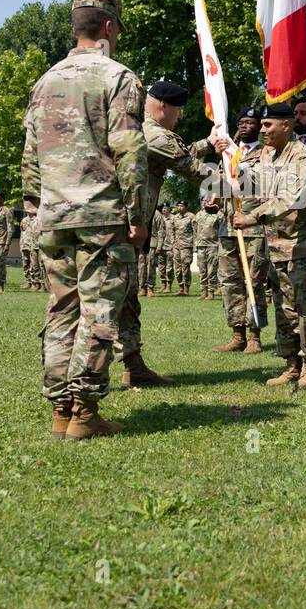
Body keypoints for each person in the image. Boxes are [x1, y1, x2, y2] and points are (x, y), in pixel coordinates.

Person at [21, 0, 148, 440]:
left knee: (61, 311)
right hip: (101, 216)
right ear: (110, 27)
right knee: (98, 313)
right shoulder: (118, 77)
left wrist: (34, 209)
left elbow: (30, 154)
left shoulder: (45, 81)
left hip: (54, 216)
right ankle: (85, 412)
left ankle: (61, 410)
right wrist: (136, 214)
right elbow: (130, 151)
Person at [116, 79, 226, 389]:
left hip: (122, 228)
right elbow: (193, 169)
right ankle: (91, 377)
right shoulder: (153, 135)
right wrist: (245, 183)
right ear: (163, 106)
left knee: (126, 299)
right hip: (123, 231)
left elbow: (176, 153)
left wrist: (207, 144)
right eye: (178, 111)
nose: (179, 117)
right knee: (114, 300)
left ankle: (133, 366)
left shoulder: (139, 128)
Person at [230, 102, 306, 391]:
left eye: (267, 125)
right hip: (274, 246)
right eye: (261, 125)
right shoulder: (265, 157)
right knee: (284, 309)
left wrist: (252, 217)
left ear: (286, 125)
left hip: (301, 246)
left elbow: (292, 198)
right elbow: (247, 185)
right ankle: (291, 364)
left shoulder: (302, 158)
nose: (262, 130)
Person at [214, 106, 270, 354]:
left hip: (253, 226)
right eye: (241, 122)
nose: (245, 125)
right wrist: (213, 199)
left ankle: (255, 336)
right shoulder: (227, 154)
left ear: (259, 126)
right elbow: (218, 183)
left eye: (250, 122)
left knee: (253, 280)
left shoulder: (267, 153)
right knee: (230, 281)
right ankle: (237, 334)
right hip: (228, 226)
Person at [194, 198, 222, 300]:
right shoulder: (198, 215)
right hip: (201, 245)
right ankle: (203, 291)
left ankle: (211, 292)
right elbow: (195, 230)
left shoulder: (217, 215)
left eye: (207, 201)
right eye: (203, 201)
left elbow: (221, 229)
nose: (205, 202)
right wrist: (195, 245)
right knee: (202, 269)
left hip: (213, 245)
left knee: (212, 270)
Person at [170, 200, 195, 296]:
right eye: (178, 206)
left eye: (182, 206)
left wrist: (194, 245)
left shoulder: (191, 217)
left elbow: (195, 231)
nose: (180, 208)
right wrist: (173, 243)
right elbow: (172, 231)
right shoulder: (175, 218)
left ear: (186, 207)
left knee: (185, 266)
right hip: (176, 246)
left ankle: (186, 288)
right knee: (177, 268)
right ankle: (180, 287)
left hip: (187, 246)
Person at [20, 212, 41, 291]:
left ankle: (36, 283)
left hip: (33, 245)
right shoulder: (24, 220)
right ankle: (28, 281)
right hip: (24, 244)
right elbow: (22, 232)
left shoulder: (37, 219)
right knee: (25, 264)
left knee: (34, 265)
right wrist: (21, 244)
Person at [156, 204, 174, 293]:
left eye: (166, 208)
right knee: (161, 267)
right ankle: (163, 285)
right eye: (163, 208)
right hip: (160, 246)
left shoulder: (173, 219)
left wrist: (174, 245)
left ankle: (169, 286)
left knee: (169, 267)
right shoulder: (159, 218)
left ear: (169, 209)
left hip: (169, 246)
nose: (164, 210)